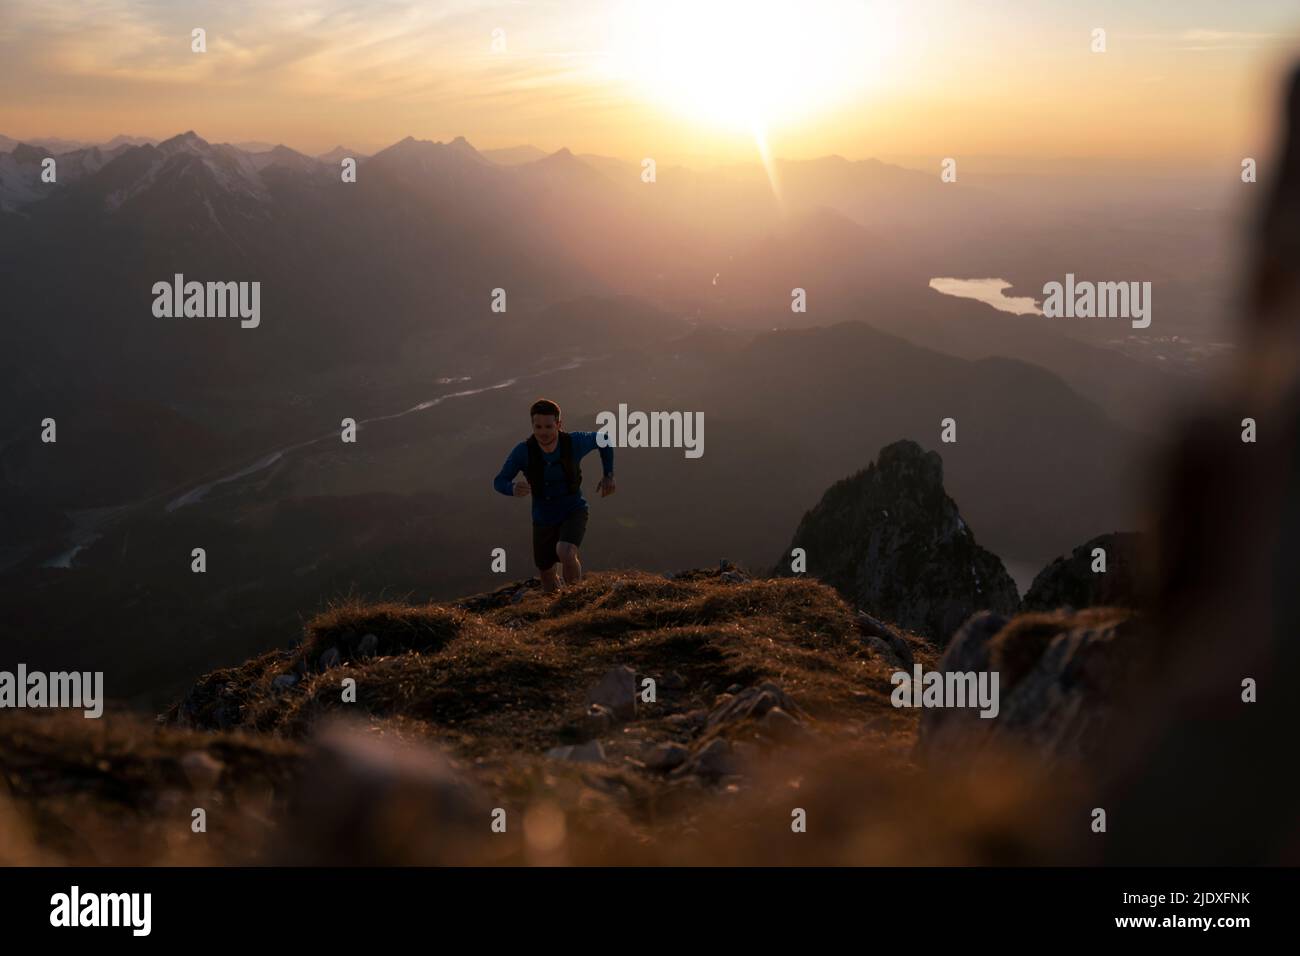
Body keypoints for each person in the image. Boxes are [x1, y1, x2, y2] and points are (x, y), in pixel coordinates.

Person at [493, 398, 615, 592]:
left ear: (559, 424)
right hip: (543, 517)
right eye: (538, 426)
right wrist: (512, 488)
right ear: (532, 425)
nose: (543, 432)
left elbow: (605, 439)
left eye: (549, 426)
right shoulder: (523, 452)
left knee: (566, 551)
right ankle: (556, 608)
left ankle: (575, 597)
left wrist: (608, 475)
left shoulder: (574, 442)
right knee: (547, 575)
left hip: (573, 509)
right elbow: (499, 481)